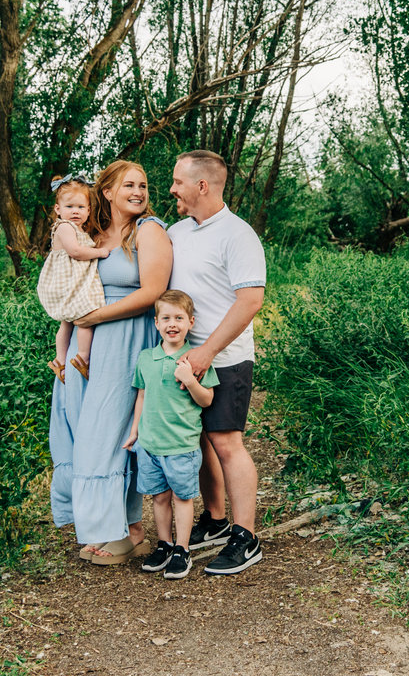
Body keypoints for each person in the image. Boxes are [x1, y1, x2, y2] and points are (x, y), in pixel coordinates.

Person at [49, 160, 172, 565]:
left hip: (126, 335)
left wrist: (96, 318)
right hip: (87, 341)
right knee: (83, 426)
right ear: (107, 192)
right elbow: (69, 279)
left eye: (143, 184)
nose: (138, 191)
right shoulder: (92, 232)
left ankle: (123, 530)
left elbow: (155, 291)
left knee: (110, 430)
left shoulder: (149, 230)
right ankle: (115, 524)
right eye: (128, 185)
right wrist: (65, 338)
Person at [167, 149, 266, 575]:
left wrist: (207, 351)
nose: (172, 189)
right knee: (200, 441)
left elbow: (250, 300)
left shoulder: (237, 235)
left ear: (202, 186)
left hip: (224, 358)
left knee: (226, 442)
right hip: (187, 358)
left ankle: (246, 537)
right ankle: (217, 520)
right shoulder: (176, 231)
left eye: (178, 181)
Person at [122, 290, 219, 580]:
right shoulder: (146, 358)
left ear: (190, 322)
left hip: (181, 445)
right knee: (159, 497)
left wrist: (190, 380)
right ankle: (164, 545)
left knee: (181, 497)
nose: (172, 324)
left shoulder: (195, 360)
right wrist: (135, 431)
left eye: (179, 318)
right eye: (166, 318)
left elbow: (207, 400)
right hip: (150, 444)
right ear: (156, 323)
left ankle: (182, 549)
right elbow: (142, 395)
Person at [37, 176, 112, 383]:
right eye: (69, 206)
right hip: (66, 283)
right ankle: (83, 358)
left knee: (67, 324)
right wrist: (100, 252)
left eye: (81, 207)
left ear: (89, 210)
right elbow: (76, 252)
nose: (75, 211)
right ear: (58, 209)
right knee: (85, 319)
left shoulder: (80, 229)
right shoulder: (64, 227)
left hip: (73, 282)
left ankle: (60, 362)